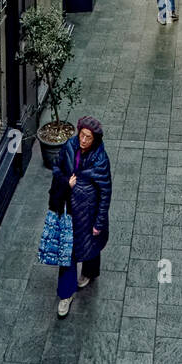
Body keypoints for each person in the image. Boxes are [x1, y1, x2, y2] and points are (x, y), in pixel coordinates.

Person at [49, 116, 112, 318]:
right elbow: (57, 167)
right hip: (68, 212)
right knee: (68, 254)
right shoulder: (69, 146)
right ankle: (66, 294)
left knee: (91, 243)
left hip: (88, 213)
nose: (84, 140)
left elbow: (105, 193)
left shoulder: (100, 160)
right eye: (82, 135)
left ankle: (90, 272)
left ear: (95, 140)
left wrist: (99, 222)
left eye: (89, 137)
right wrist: (66, 182)